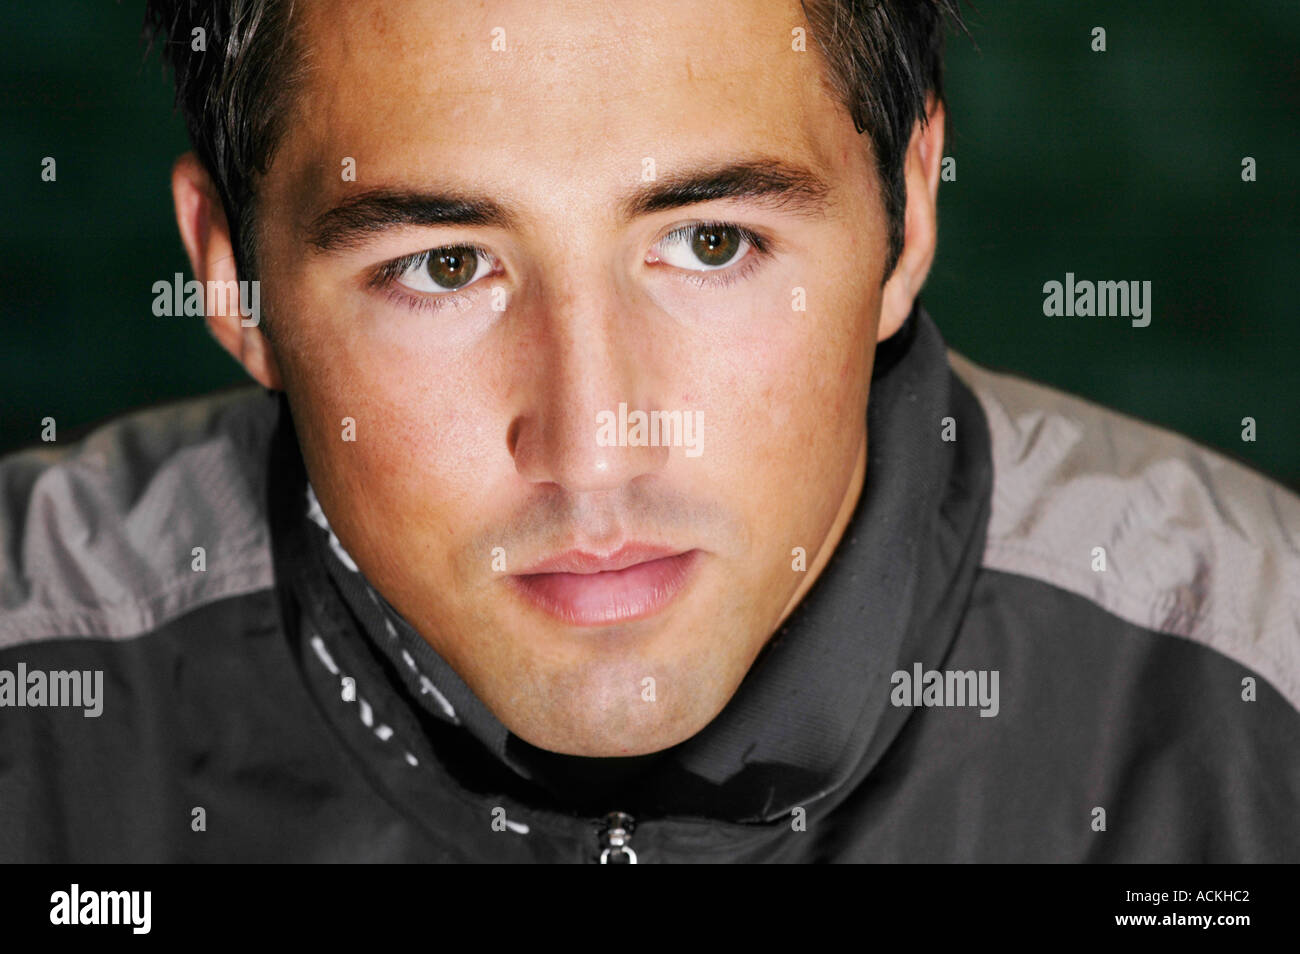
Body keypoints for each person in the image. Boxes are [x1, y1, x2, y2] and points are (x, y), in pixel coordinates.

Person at [1, 0, 1295, 863]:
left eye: (711, 242)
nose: (597, 445)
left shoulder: (1260, 691)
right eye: (444, 266)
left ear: (907, 211)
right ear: (234, 281)